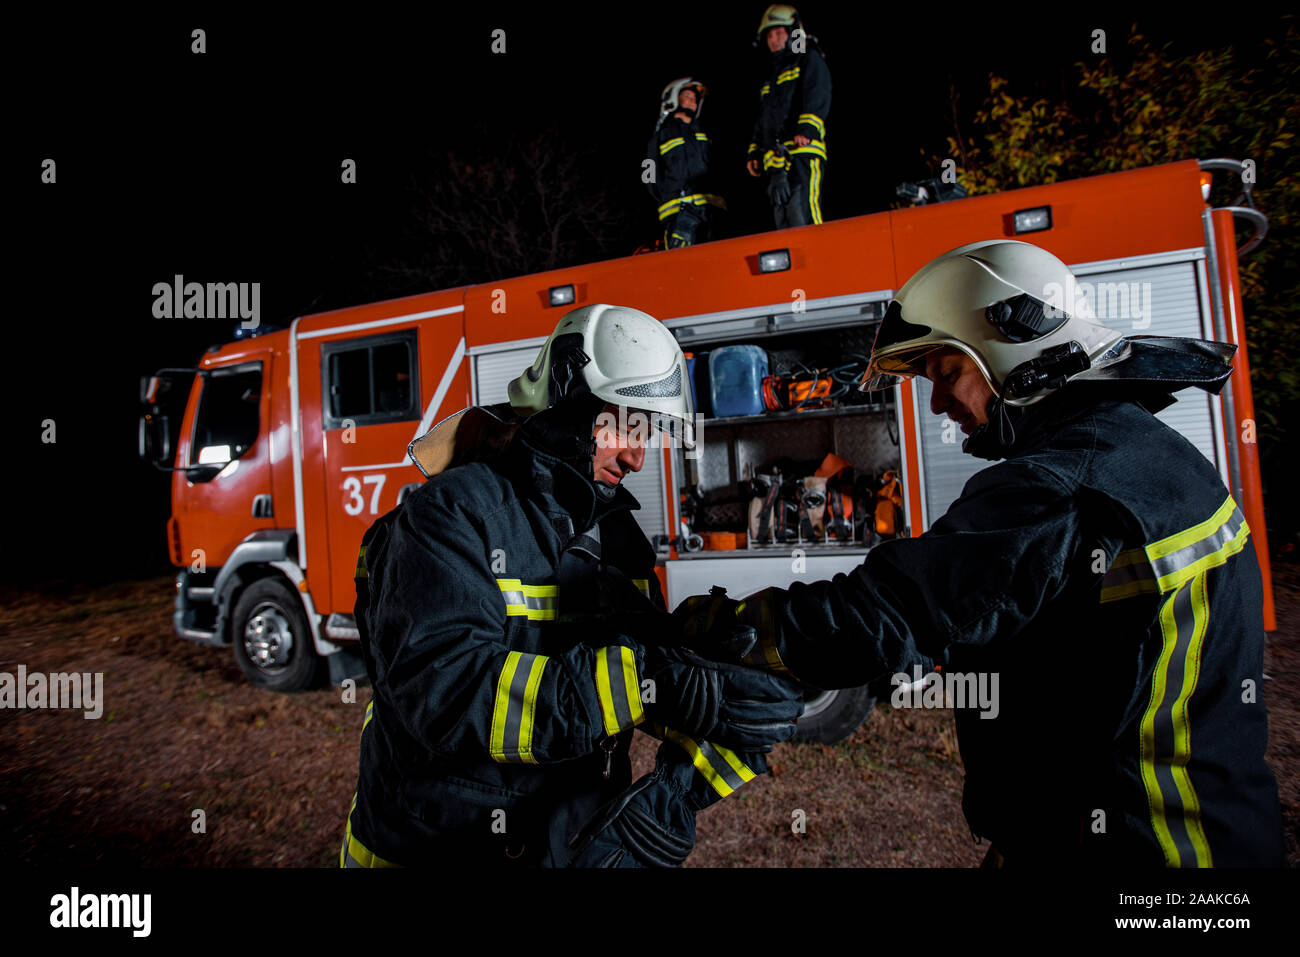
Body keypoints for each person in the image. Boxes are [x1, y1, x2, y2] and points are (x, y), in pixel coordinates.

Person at [674, 240, 1286, 867]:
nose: (936, 404)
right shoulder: (1137, 449)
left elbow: (885, 614)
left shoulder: (1061, 483)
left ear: (1015, 348)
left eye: (945, 373)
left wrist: (718, 633)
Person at [341, 303, 803, 868]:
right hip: (439, 849)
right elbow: (448, 695)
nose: (637, 454)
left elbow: (627, 666)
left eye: (647, 430)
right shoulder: (452, 516)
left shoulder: (617, 536)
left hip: (569, 847)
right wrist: (648, 680)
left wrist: (705, 681)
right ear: (569, 402)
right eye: (627, 423)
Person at [746, 4, 830, 228]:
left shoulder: (808, 59)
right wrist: (755, 150)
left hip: (802, 152)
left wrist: (807, 129)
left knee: (805, 214)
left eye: (779, 32)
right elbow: (763, 118)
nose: (774, 39)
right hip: (776, 161)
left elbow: (817, 93)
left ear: (793, 33)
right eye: (770, 35)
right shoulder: (770, 78)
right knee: (784, 221)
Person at [646, 77, 726, 248]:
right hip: (678, 209)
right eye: (687, 96)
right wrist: (665, 194)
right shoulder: (662, 133)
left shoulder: (704, 131)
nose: (691, 102)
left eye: (695, 100)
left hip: (710, 207)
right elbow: (649, 169)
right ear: (674, 98)